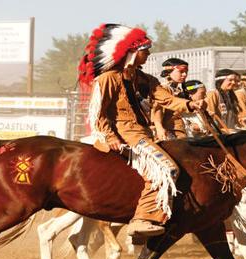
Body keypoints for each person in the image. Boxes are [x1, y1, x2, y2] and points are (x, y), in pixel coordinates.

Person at [78, 24, 205, 238]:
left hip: (144, 134)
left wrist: (190, 105)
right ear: (133, 53)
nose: (148, 54)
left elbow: (167, 99)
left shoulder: (145, 79)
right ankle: (142, 218)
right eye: (145, 50)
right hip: (128, 135)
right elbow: (97, 113)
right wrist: (110, 137)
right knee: (167, 169)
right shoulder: (108, 78)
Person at [152, 58, 191, 140]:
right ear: (169, 72)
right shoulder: (164, 89)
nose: (184, 74)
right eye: (181, 72)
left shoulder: (179, 90)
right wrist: (159, 128)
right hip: (170, 133)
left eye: (186, 72)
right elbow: (157, 110)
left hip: (180, 132)